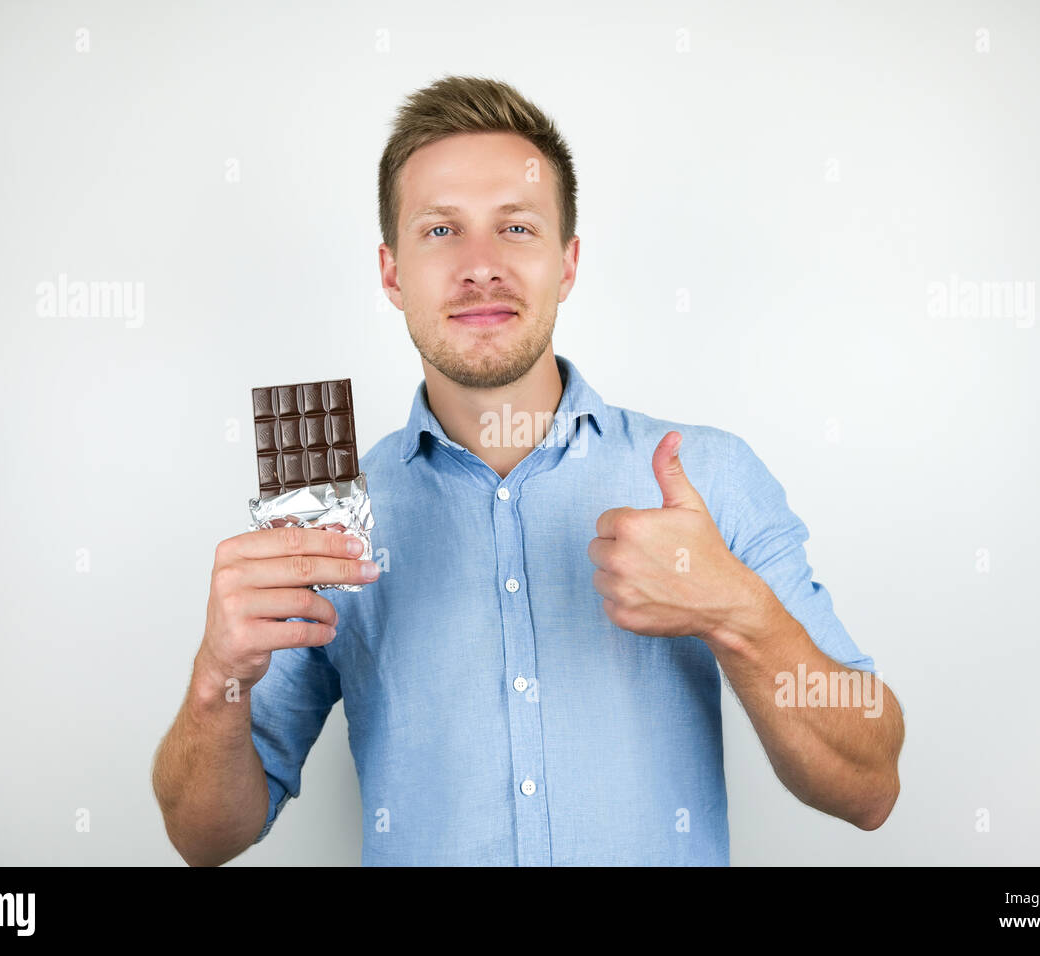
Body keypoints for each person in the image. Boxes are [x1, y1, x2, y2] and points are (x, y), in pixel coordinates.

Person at [152, 74, 904, 866]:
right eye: (441, 232)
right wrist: (217, 679)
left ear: (568, 263)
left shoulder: (706, 477)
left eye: (516, 228)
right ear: (391, 273)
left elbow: (870, 786)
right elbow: (204, 837)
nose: (481, 266)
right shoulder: (325, 522)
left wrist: (739, 615)